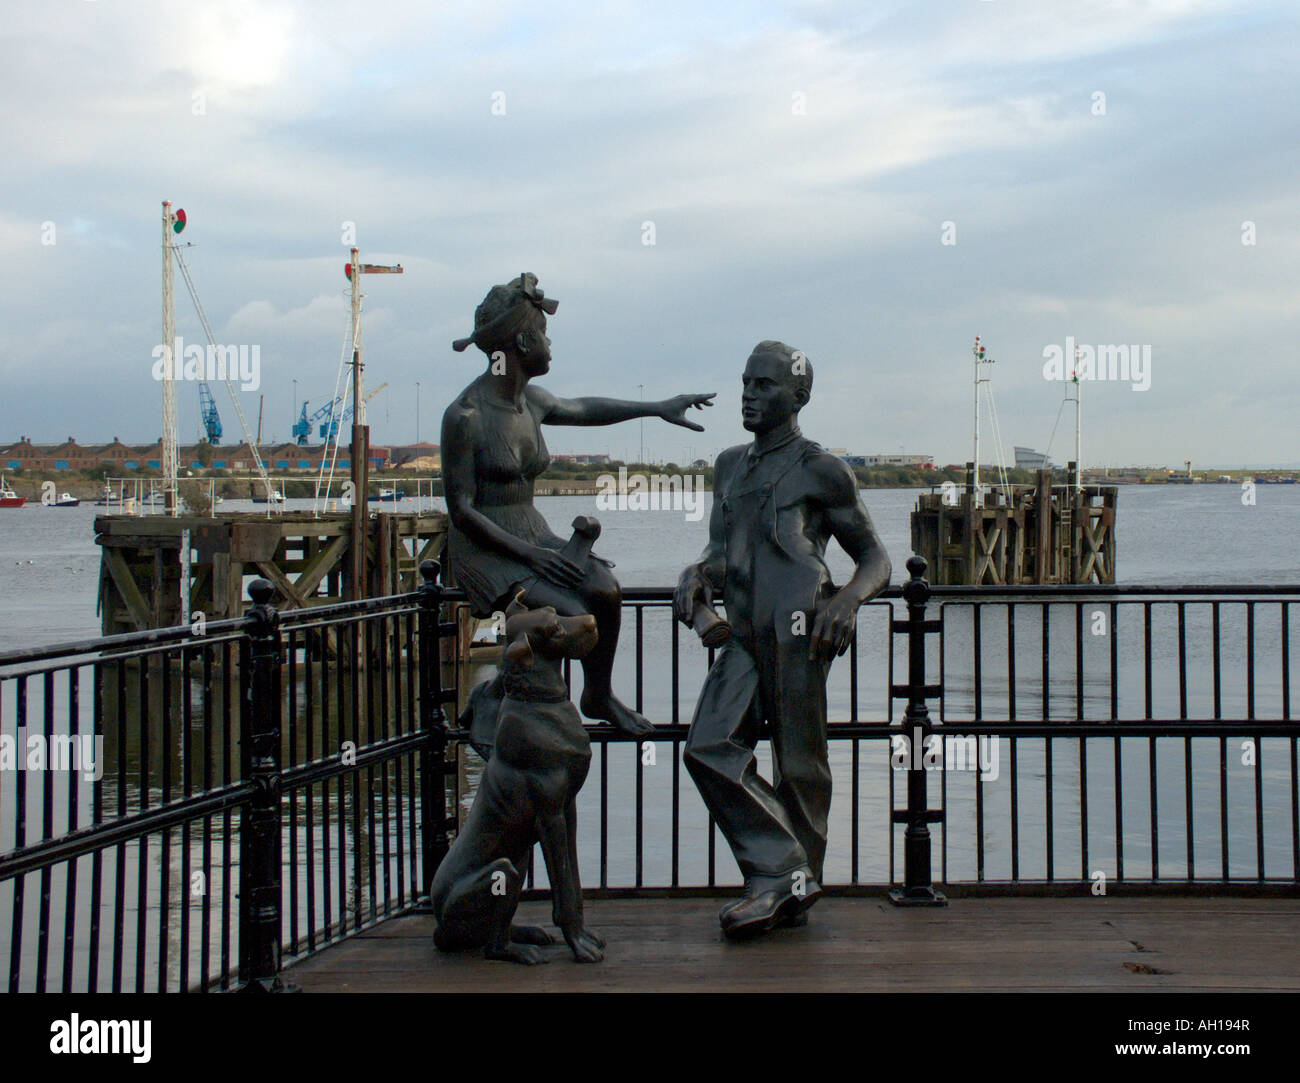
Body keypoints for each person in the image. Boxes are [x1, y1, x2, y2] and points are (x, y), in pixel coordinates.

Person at [674, 340, 891, 938]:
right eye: (745, 382)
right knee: (708, 747)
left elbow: (875, 557)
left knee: (800, 765)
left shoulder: (821, 468)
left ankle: (789, 890)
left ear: (798, 397)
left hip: (800, 628)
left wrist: (848, 600)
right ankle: (786, 871)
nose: (748, 393)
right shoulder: (727, 465)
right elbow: (720, 553)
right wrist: (696, 575)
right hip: (741, 630)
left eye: (763, 385)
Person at [442, 272, 714, 738]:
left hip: (532, 531)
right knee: (570, 613)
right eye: (545, 335)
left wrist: (657, 408)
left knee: (605, 589)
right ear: (524, 341)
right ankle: (502, 702)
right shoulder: (465, 416)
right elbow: (462, 511)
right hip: (487, 547)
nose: (551, 344)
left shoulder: (532, 402)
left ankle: (597, 694)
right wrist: (534, 556)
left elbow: (587, 409)